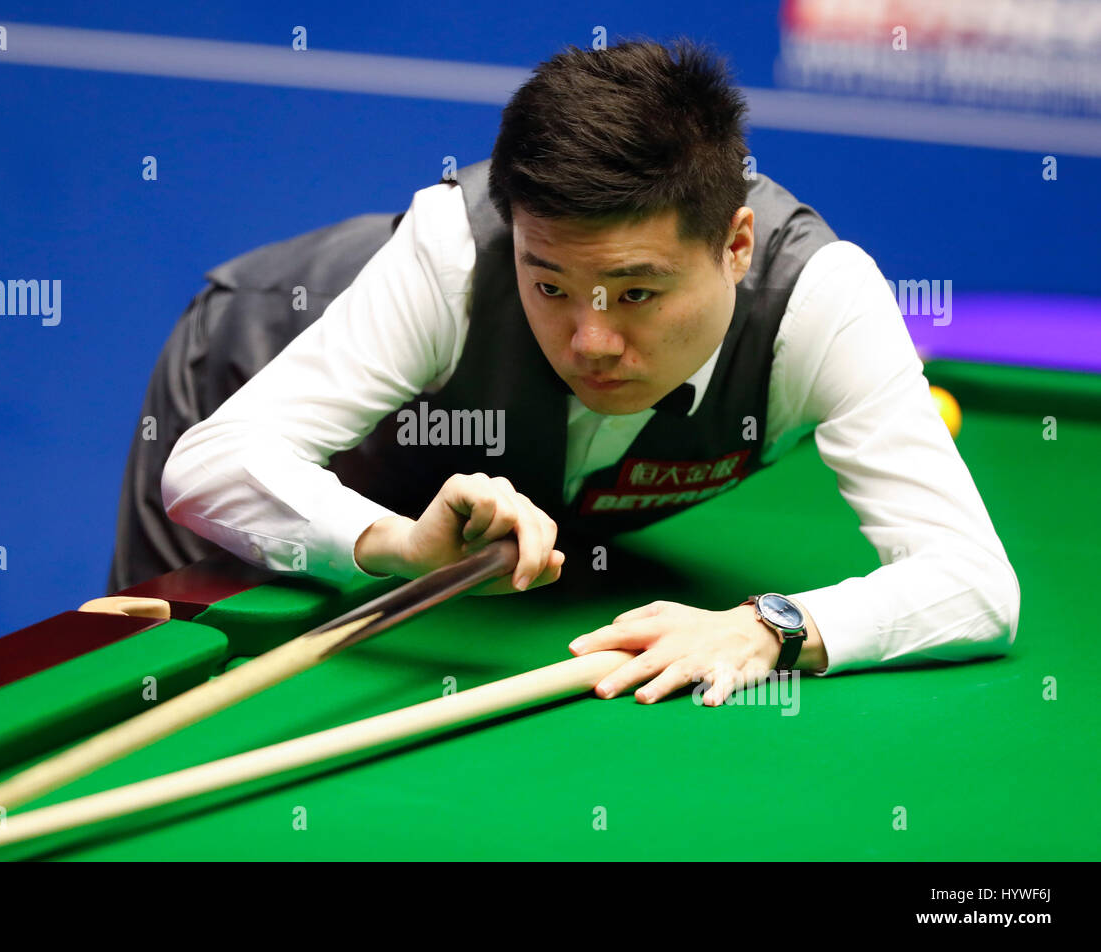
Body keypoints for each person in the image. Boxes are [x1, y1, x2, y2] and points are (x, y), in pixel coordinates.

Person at [110, 40, 1018, 705]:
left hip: (546, 497)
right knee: (155, 691)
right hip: (260, 374)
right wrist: (402, 546)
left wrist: (769, 625)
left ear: (735, 248)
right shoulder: (452, 253)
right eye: (549, 284)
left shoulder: (821, 299)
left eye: (634, 293)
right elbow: (209, 466)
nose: (590, 340)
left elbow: (977, 586)